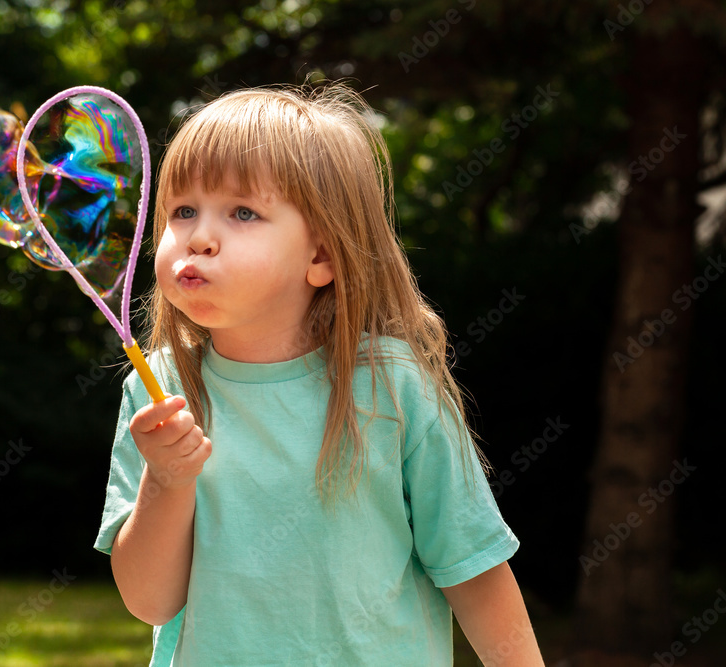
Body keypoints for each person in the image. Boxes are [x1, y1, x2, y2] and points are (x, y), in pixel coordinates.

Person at [94, 82, 545, 666]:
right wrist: (167, 480)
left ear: (321, 257)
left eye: (243, 212)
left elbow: (472, 567)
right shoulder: (159, 387)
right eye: (183, 210)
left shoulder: (390, 384)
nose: (198, 236)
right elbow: (150, 602)